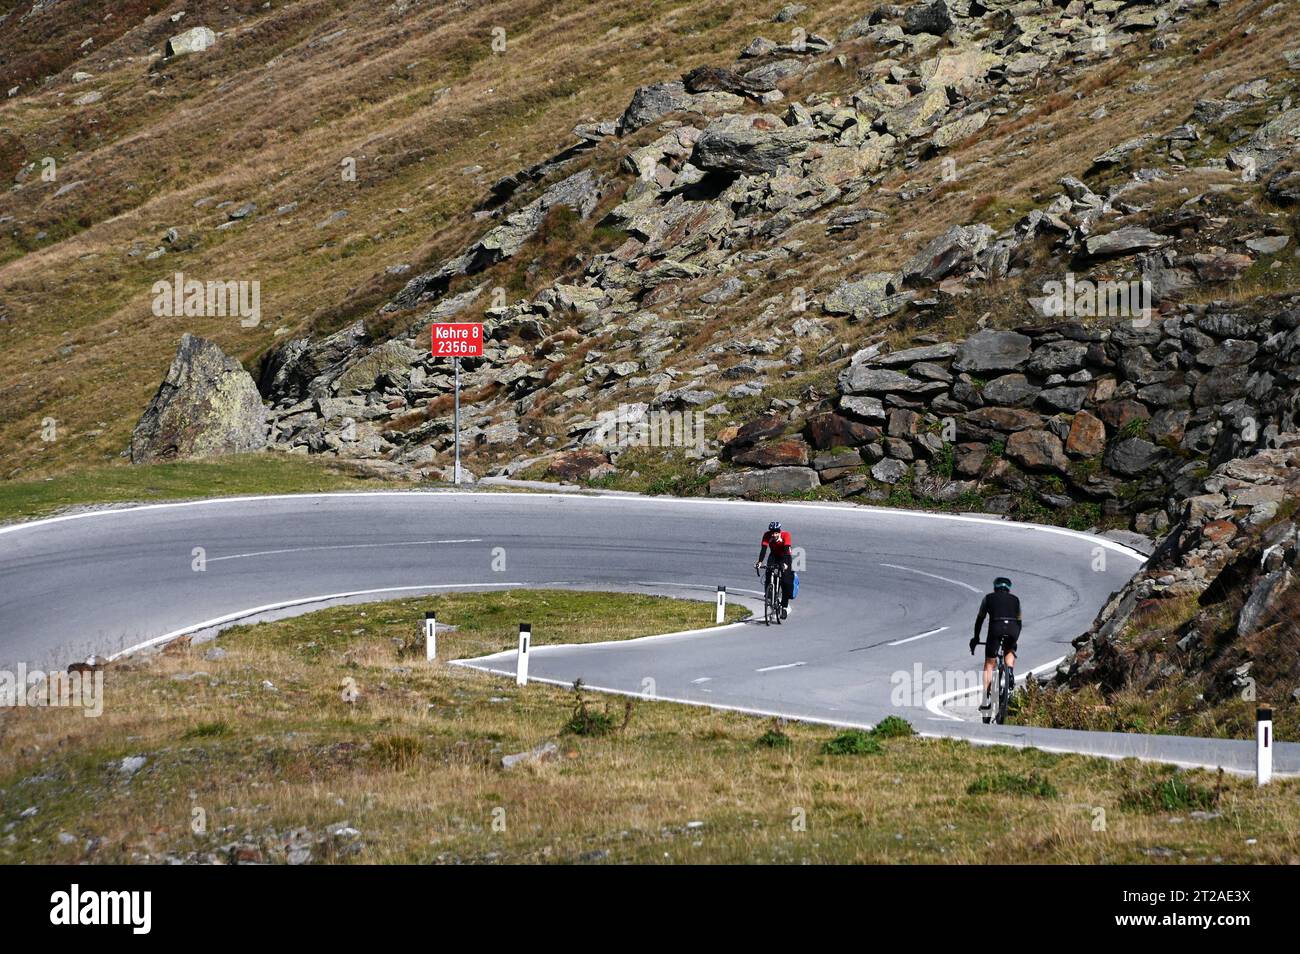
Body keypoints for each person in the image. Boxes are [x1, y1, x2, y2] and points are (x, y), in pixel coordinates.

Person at [969, 577, 1021, 713]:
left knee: (989, 664)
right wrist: (1014, 641)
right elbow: (1019, 622)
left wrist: (976, 638)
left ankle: (986, 701)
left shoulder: (988, 598)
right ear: (1008, 589)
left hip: (996, 627)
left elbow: (980, 620)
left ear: (995, 588)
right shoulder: (1016, 600)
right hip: (1013, 628)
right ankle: (1009, 670)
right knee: (1009, 650)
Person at [755, 520, 794, 618]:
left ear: (779, 532)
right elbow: (763, 549)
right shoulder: (767, 535)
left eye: (776, 533)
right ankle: (769, 593)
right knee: (768, 572)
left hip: (785, 556)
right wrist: (760, 562)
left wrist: (784, 564)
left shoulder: (786, 535)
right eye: (772, 533)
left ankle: (784, 607)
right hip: (774, 556)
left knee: (785, 581)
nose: (774, 535)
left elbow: (786, 550)